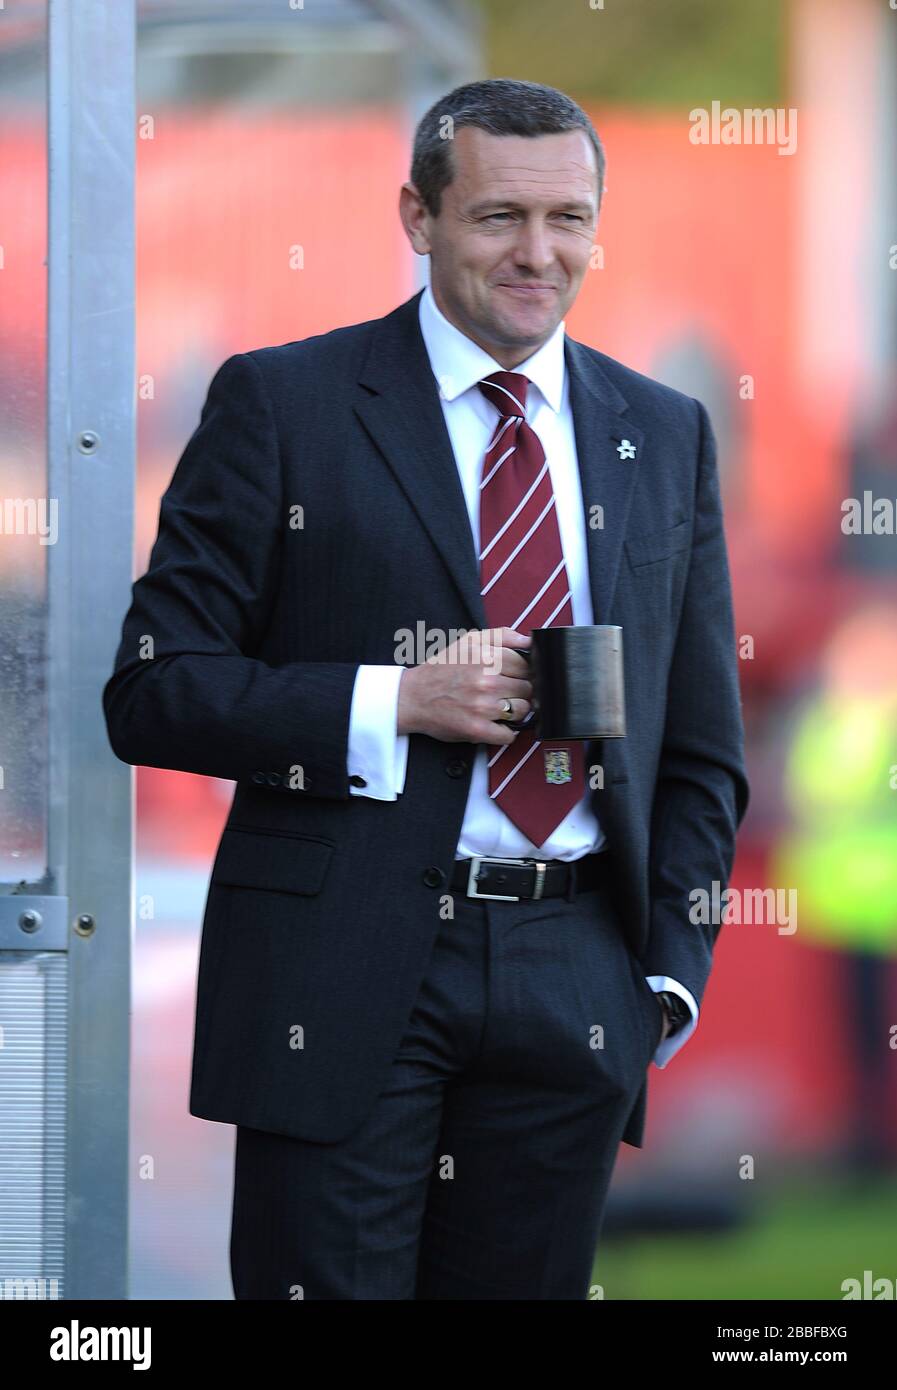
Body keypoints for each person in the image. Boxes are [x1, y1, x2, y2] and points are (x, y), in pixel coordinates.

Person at [103, 77, 749, 1300]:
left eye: (570, 219)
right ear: (418, 215)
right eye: (500, 216)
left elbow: (702, 743)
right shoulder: (284, 403)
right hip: (341, 969)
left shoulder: (661, 430)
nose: (539, 254)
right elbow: (153, 689)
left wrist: (665, 974)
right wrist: (386, 701)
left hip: (578, 975)